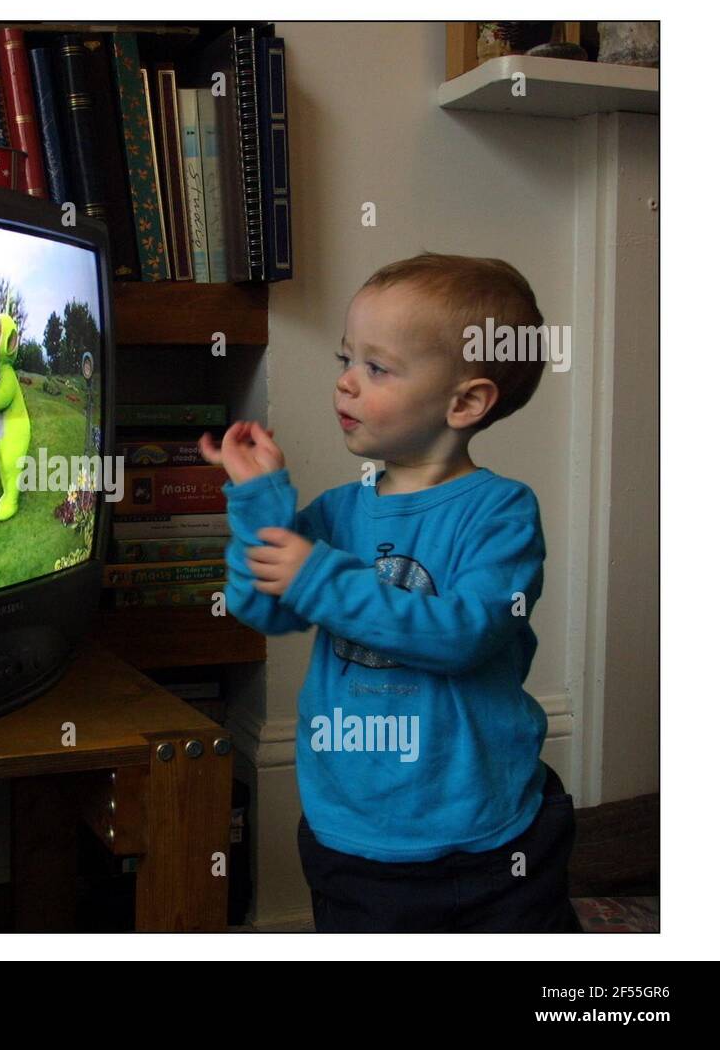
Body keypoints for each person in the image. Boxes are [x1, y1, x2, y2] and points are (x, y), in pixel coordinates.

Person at [200, 253, 581, 932]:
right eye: (346, 358)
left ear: (465, 403)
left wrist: (317, 574)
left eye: (376, 367)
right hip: (352, 832)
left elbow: (462, 633)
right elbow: (260, 607)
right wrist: (260, 503)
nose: (345, 381)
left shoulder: (500, 513)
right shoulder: (338, 512)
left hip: (487, 836)